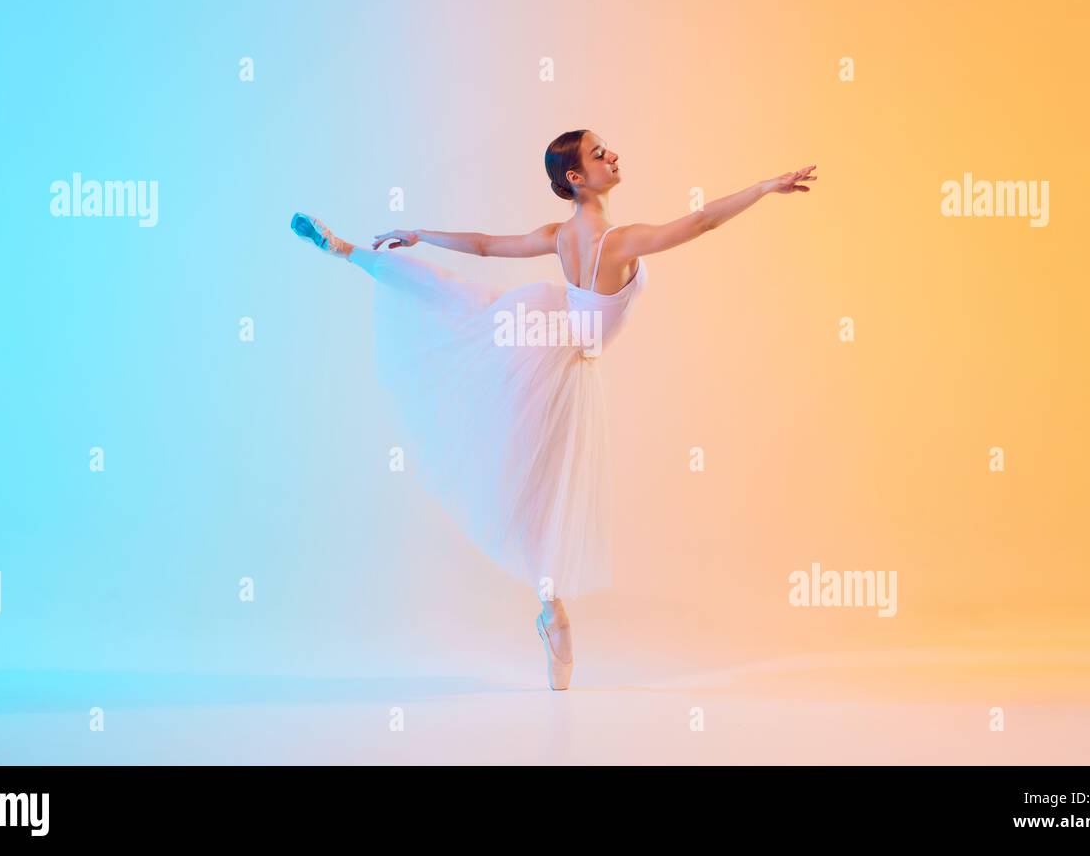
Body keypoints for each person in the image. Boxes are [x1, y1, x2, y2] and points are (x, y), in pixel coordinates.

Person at [292, 128, 816, 689]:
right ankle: (552, 614)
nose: (613, 155)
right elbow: (701, 222)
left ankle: (354, 254)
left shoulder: (562, 235)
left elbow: (488, 246)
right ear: (575, 178)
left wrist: (420, 233)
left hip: (539, 339)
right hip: (556, 356)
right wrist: (763, 187)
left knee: (463, 306)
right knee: (543, 492)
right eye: (599, 154)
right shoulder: (620, 240)